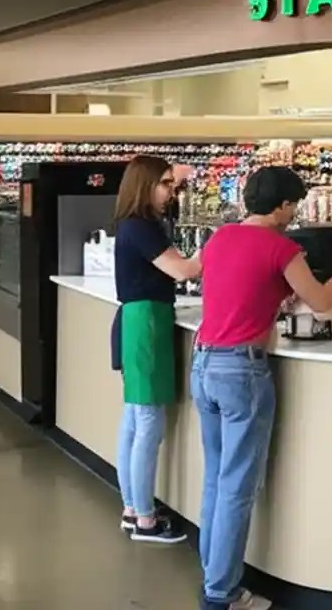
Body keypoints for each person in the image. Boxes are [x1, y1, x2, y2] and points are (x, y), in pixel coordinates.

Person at [193, 166, 332, 610]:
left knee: (216, 480)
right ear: (281, 206)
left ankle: (212, 576)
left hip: (205, 364)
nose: (294, 213)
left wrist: (277, 297)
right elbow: (323, 301)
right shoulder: (282, 247)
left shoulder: (220, 238)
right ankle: (222, 594)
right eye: (293, 205)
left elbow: (237, 291)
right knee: (237, 487)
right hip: (242, 372)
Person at [110, 155, 201, 544]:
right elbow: (183, 270)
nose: (170, 192)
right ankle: (145, 519)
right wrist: (221, 243)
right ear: (145, 185)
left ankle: (133, 507)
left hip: (139, 321)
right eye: (165, 184)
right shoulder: (142, 227)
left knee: (135, 419)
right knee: (148, 422)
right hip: (145, 323)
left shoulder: (133, 225)